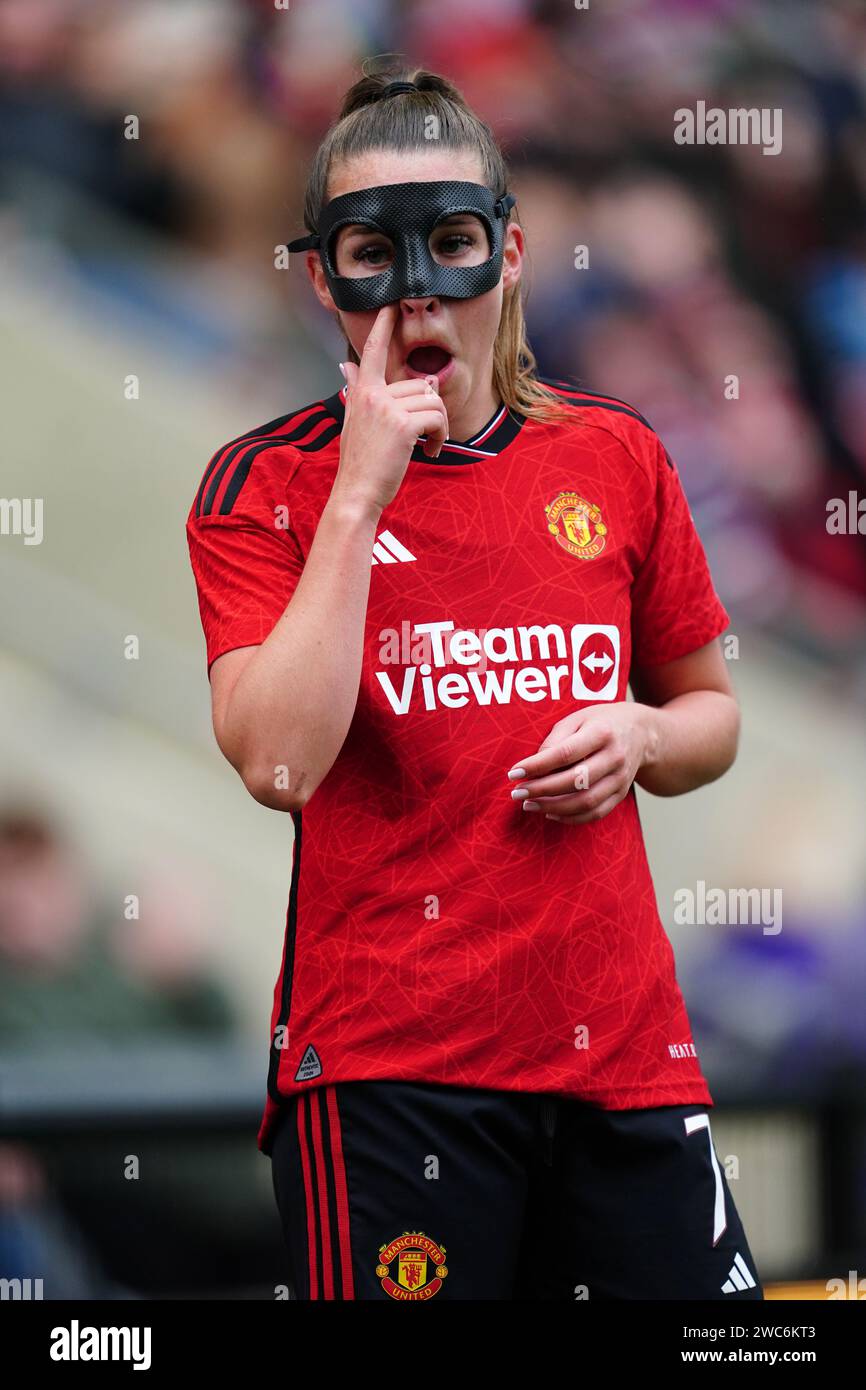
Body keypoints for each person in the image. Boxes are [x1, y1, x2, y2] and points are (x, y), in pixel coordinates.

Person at [186, 65, 762, 1302]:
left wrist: (638, 736)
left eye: (449, 243)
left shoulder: (613, 454)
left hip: (622, 1058)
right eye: (369, 253)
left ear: (508, 255)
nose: (413, 292)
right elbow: (277, 765)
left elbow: (709, 717)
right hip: (395, 1074)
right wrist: (361, 492)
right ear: (319, 278)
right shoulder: (264, 487)